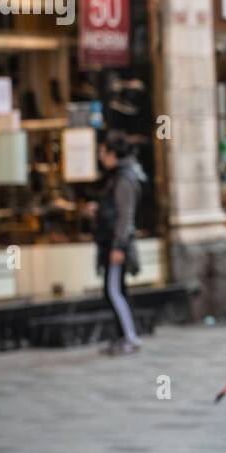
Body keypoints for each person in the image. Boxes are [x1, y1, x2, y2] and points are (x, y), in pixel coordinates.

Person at [94, 130, 146, 355]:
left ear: (113, 154)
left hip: (116, 244)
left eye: (103, 153)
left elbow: (126, 216)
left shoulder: (124, 178)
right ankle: (124, 336)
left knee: (113, 291)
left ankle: (130, 337)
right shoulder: (118, 176)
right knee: (115, 290)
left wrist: (119, 246)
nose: (100, 157)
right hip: (112, 241)